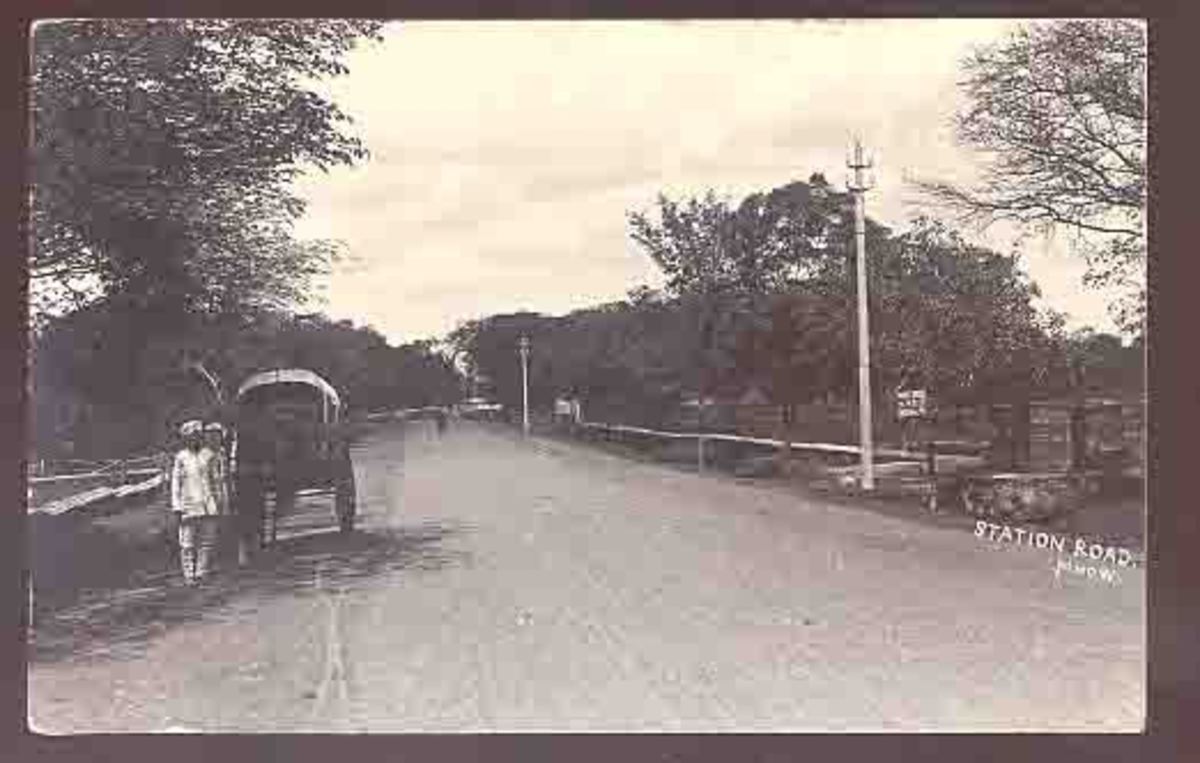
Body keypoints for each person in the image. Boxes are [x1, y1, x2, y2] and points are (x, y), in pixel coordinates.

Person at [170, 420, 223, 584]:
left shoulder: (208, 455)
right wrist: (176, 506)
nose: (195, 439)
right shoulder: (181, 457)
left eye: (197, 436)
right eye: (191, 437)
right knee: (187, 543)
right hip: (188, 505)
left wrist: (219, 500)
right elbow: (176, 483)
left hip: (207, 503)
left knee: (206, 541)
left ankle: (201, 571)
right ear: (185, 439)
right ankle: (189, 574)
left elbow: (216, 480)